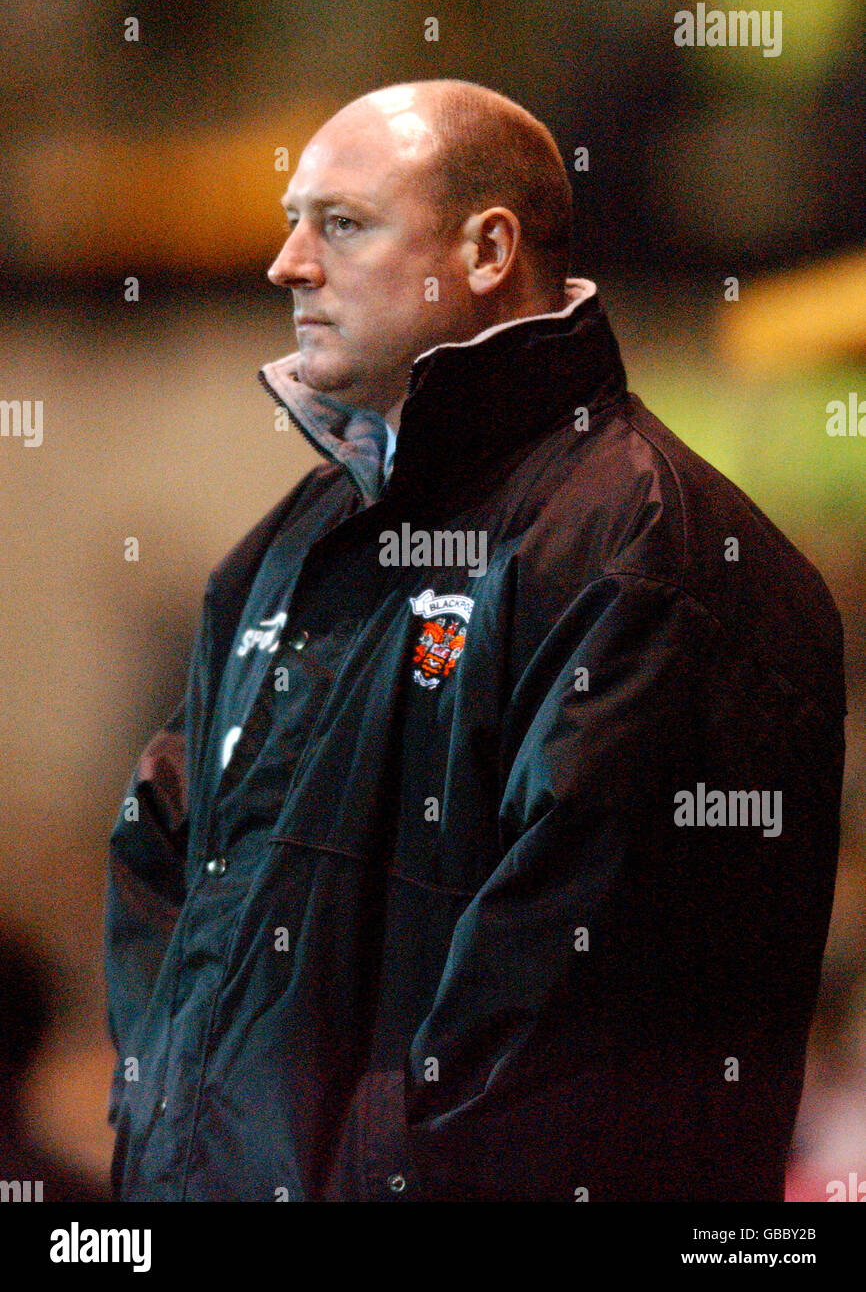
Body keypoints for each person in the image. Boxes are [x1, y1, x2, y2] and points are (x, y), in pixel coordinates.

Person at [104, 79, 846, 1201]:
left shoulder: (647, 558)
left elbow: (569, 1050)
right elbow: (162, 869)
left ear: (487, 248)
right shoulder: (286, 549)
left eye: (340, 224)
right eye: (291, 221)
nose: (287, 264)